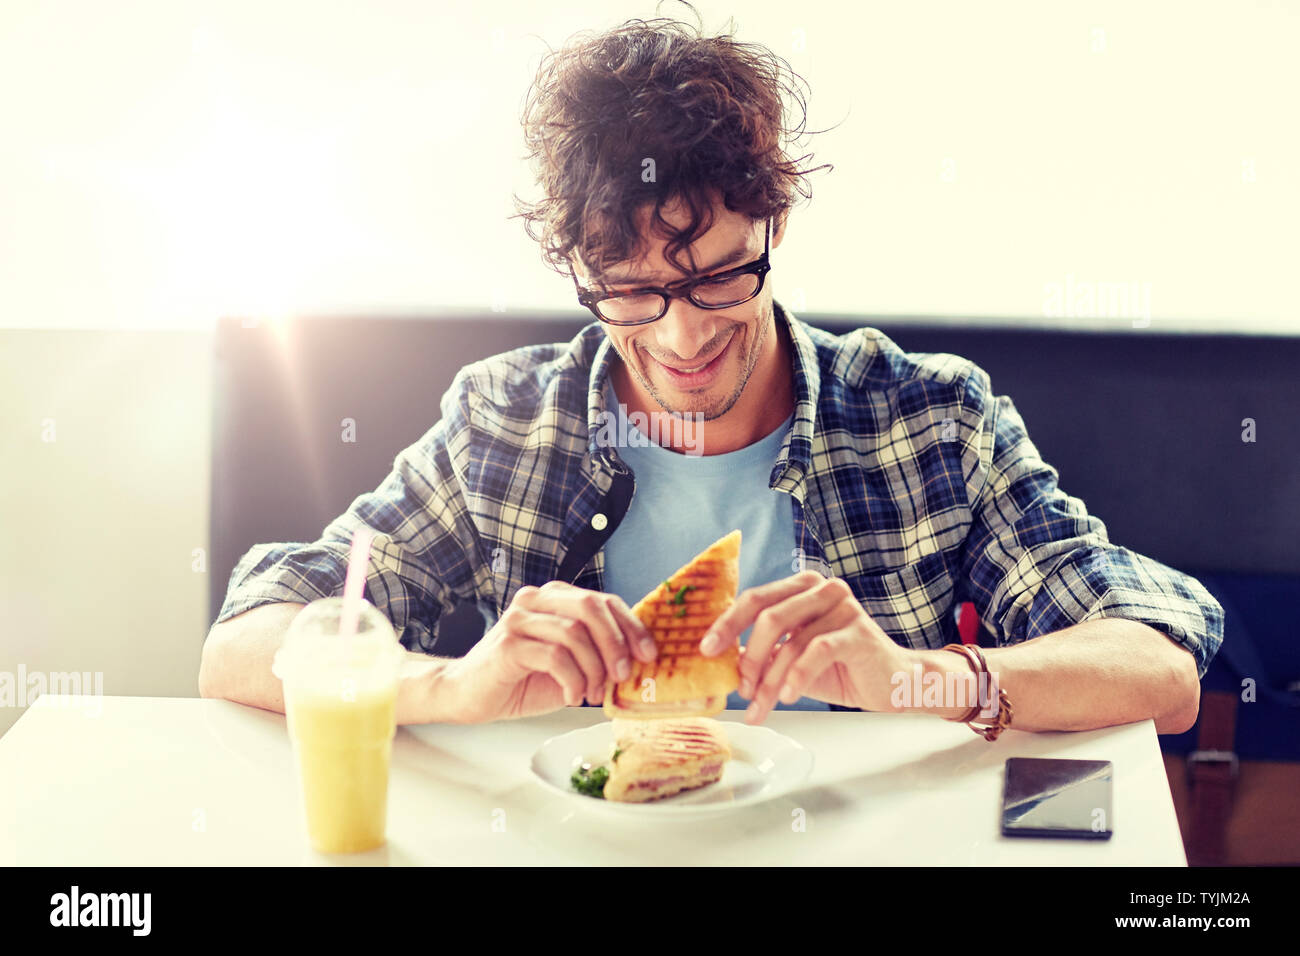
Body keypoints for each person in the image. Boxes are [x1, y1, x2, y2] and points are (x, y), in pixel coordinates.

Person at [200, 14, 1221, 734]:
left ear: (774, 223)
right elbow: (246, 644)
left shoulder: (930, 419)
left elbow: (1159, 664)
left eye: (719, 276)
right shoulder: (505, 421)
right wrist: (455, 687)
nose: (683, 337)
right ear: (577, 272)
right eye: (631, 289)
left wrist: (914, 679)